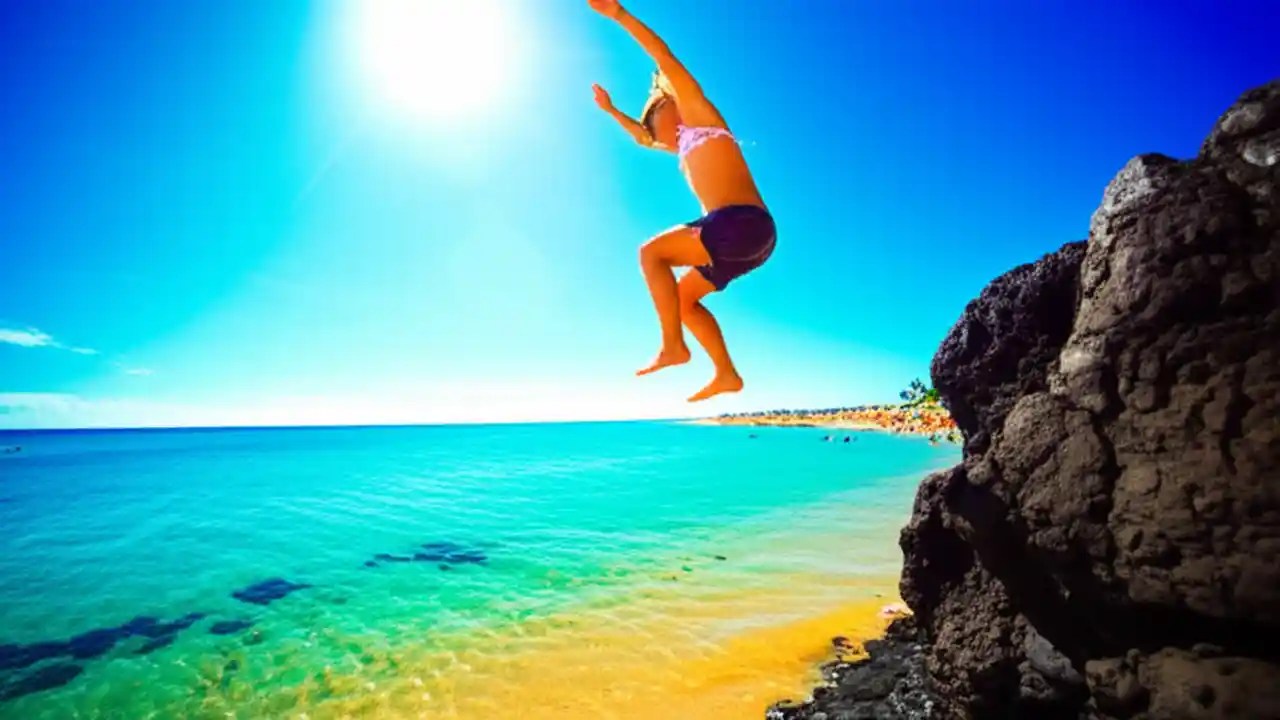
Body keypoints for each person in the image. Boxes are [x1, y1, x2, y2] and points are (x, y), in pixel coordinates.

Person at [589, 0, 776, 402]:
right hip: (746, 241)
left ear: (671, 105)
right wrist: (611, 112)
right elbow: (642, 138)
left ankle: (673, 347)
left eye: (659, 124)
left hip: (740, 224)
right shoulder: (683, 143)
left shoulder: (699, 115)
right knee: (681, 300)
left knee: (651, 254)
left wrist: (618, 15)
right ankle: (727, 373)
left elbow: (663, 57)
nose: (663, 138)